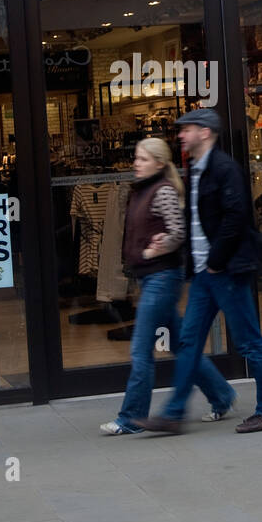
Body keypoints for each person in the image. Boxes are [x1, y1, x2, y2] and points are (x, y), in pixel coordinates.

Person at [136, 109, 262, 434]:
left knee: (248, 342)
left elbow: (234, 219)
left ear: (205, 133)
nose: (181, 135)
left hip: (226, 270)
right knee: (189, 343)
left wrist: (215, 261)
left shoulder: (224, 169)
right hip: (206, 273)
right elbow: (199, 221)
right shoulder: (196, 171)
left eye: (187, 129)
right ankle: (173, 414)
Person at [100, 138, 236, 436]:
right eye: (136, 157)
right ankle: (222, 396)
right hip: (151, 278)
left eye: (143, 159)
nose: (136, 163)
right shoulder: (140, 189)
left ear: (160, 164)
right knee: (180, 345)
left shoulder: (161, 191)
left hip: (162, 278)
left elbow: (178, 232)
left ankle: (131, 418)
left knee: (140, 350)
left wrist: (154, 250)